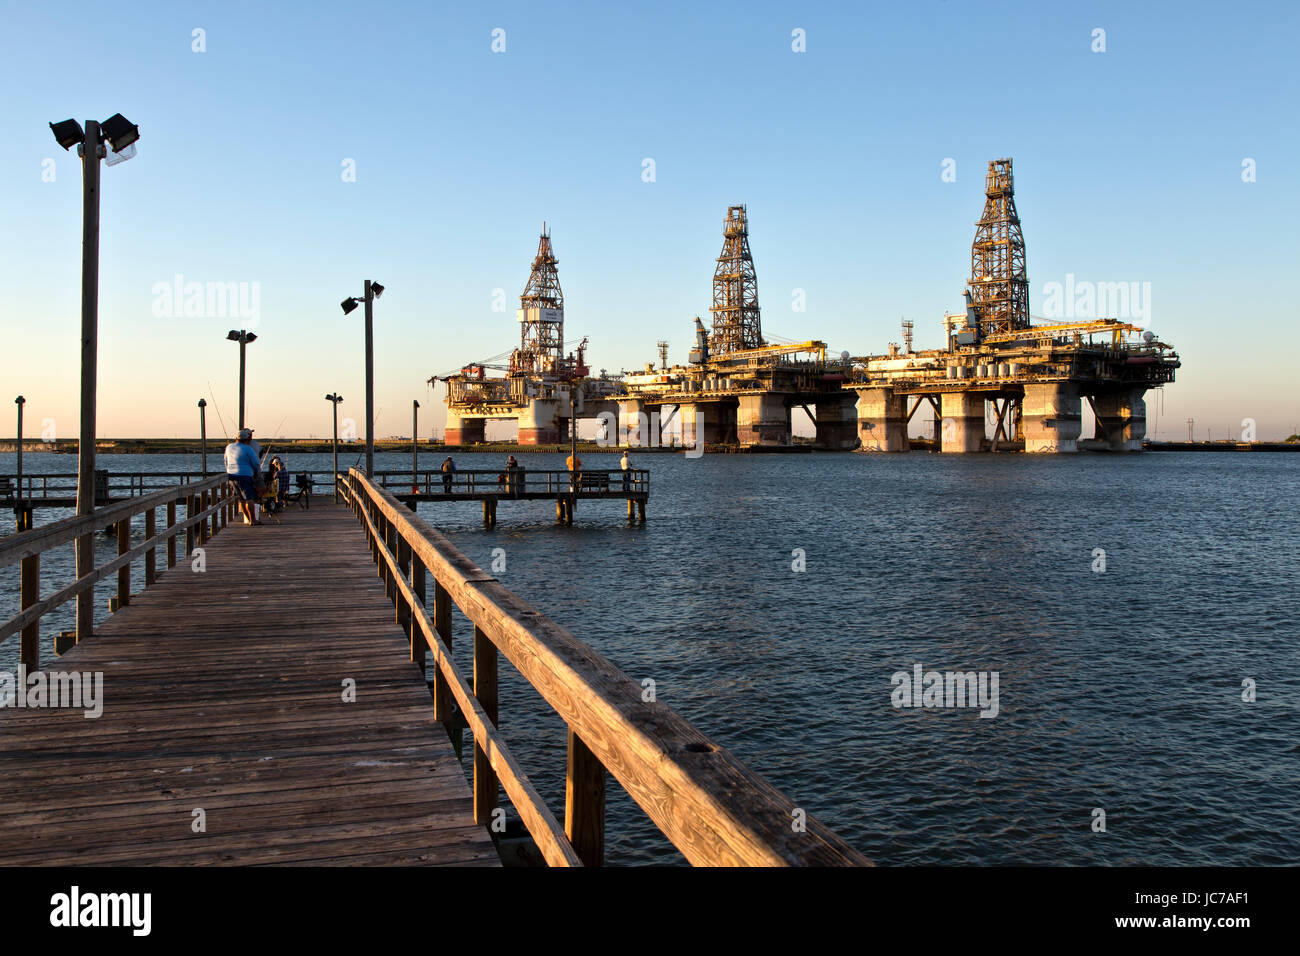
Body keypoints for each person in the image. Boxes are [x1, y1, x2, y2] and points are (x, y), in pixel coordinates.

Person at [224, 428, 263, 525]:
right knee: (249, 498)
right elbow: (256, 463)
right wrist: (257, 475)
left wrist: (228, 471)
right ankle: (252, 520)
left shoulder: (229, 447)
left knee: (241, 499)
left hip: (231, 476)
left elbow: (225, 461)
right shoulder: (248, 448)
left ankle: (247, 519)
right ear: (247, 439)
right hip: (245, 476)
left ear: (236, 438)